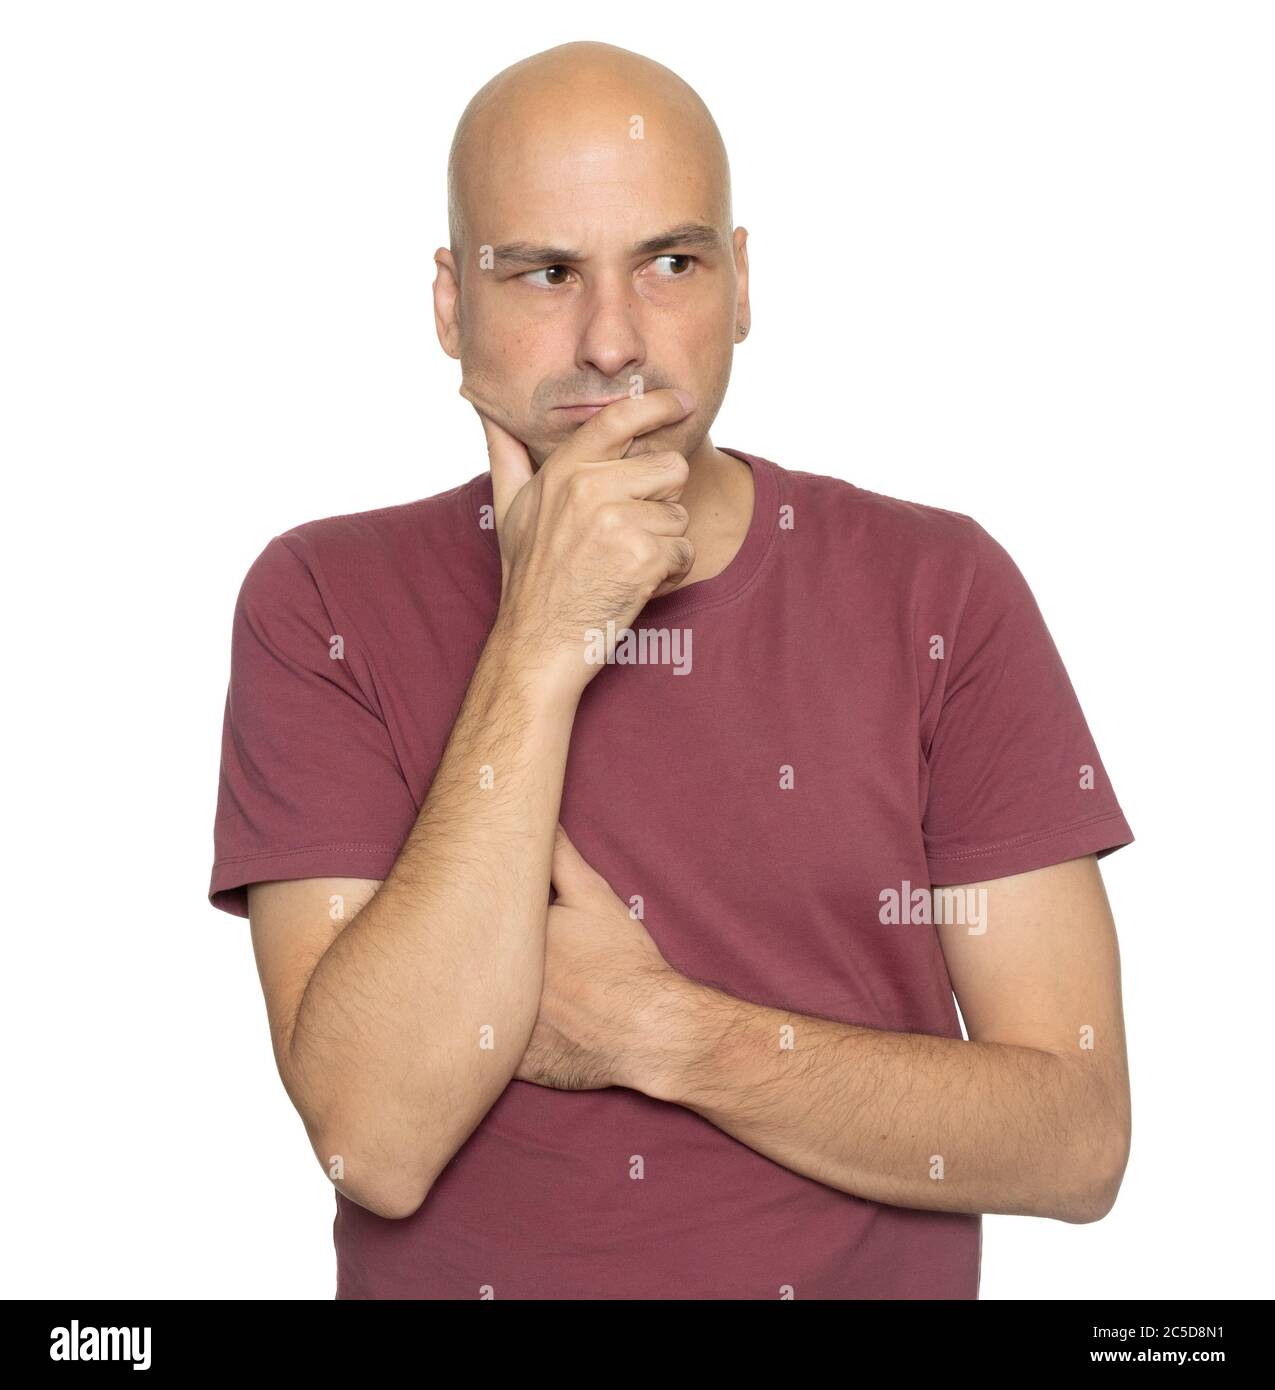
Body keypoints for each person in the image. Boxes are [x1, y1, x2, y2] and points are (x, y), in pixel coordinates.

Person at [208, 40, 1134, 1300]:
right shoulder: (318, 601)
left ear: (741, 284)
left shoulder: (940, 589)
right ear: (450, 307)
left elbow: (1076, 1141)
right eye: (544, 272)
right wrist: (539, 638)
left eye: (671, 263)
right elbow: (374, 1138)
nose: (610, 342)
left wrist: (662, 1030)